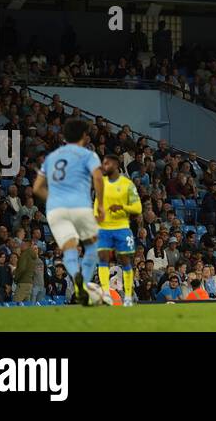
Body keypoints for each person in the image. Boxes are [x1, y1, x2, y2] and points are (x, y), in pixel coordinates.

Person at [33, 117, 109, 306]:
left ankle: (76, 279)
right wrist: (100, 204)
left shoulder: (52, 157)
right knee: (92, 246)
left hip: (56, 210)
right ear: (84, 136)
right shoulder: (88, 155)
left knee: (69, 248)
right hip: (79, 206)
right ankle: (82, 282)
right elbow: (98, 179)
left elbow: (37, 188)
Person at [95, 153, 143, 305]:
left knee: (125, 260)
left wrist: (122, 206)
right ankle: (105, 293)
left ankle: (128, 295)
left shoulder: (127, 184)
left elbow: (137, 207)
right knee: (103, 258)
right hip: (104, 228)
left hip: (122, 227)